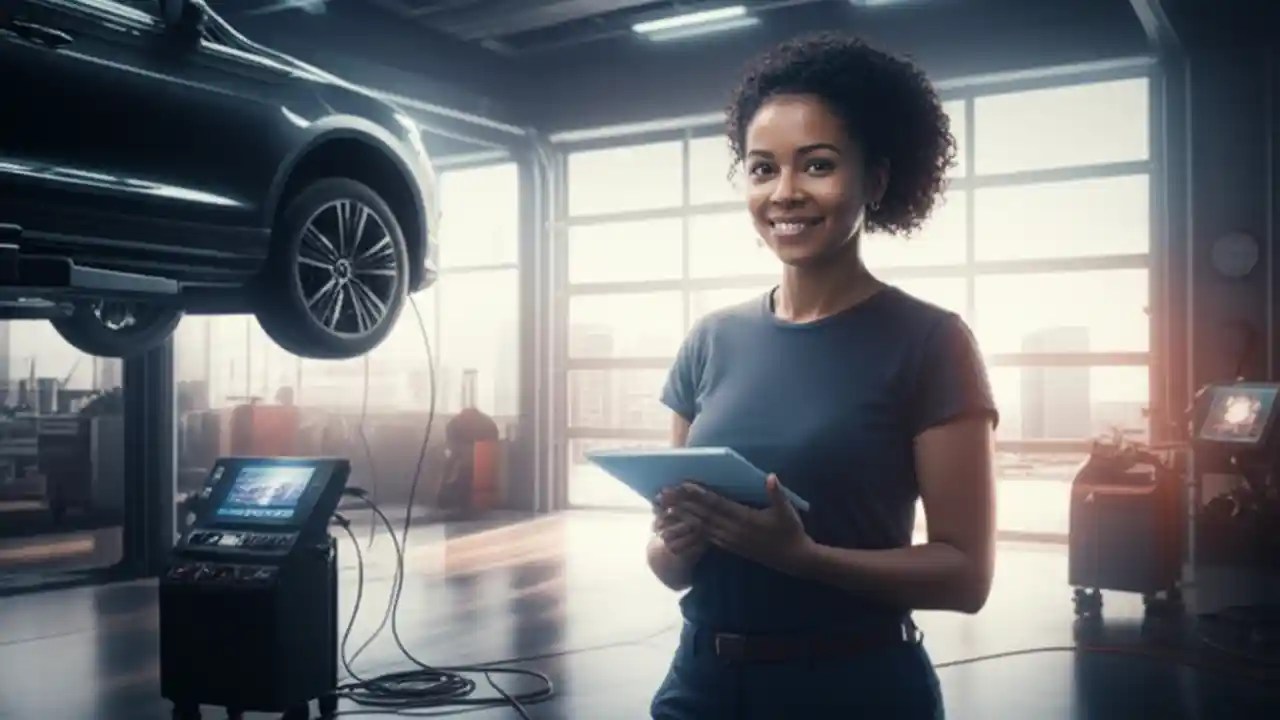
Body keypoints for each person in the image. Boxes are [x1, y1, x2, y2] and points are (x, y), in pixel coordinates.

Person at [646, 32, 998, 719]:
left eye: (817, 165)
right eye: (761, 168)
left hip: (854, 688)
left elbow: (966, 576)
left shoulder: (932, 342)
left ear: (877, 179)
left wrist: (805, 558)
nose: (784, 193)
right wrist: (675, 544)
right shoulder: (708, 341)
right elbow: (666, 562)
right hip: (701, 685)